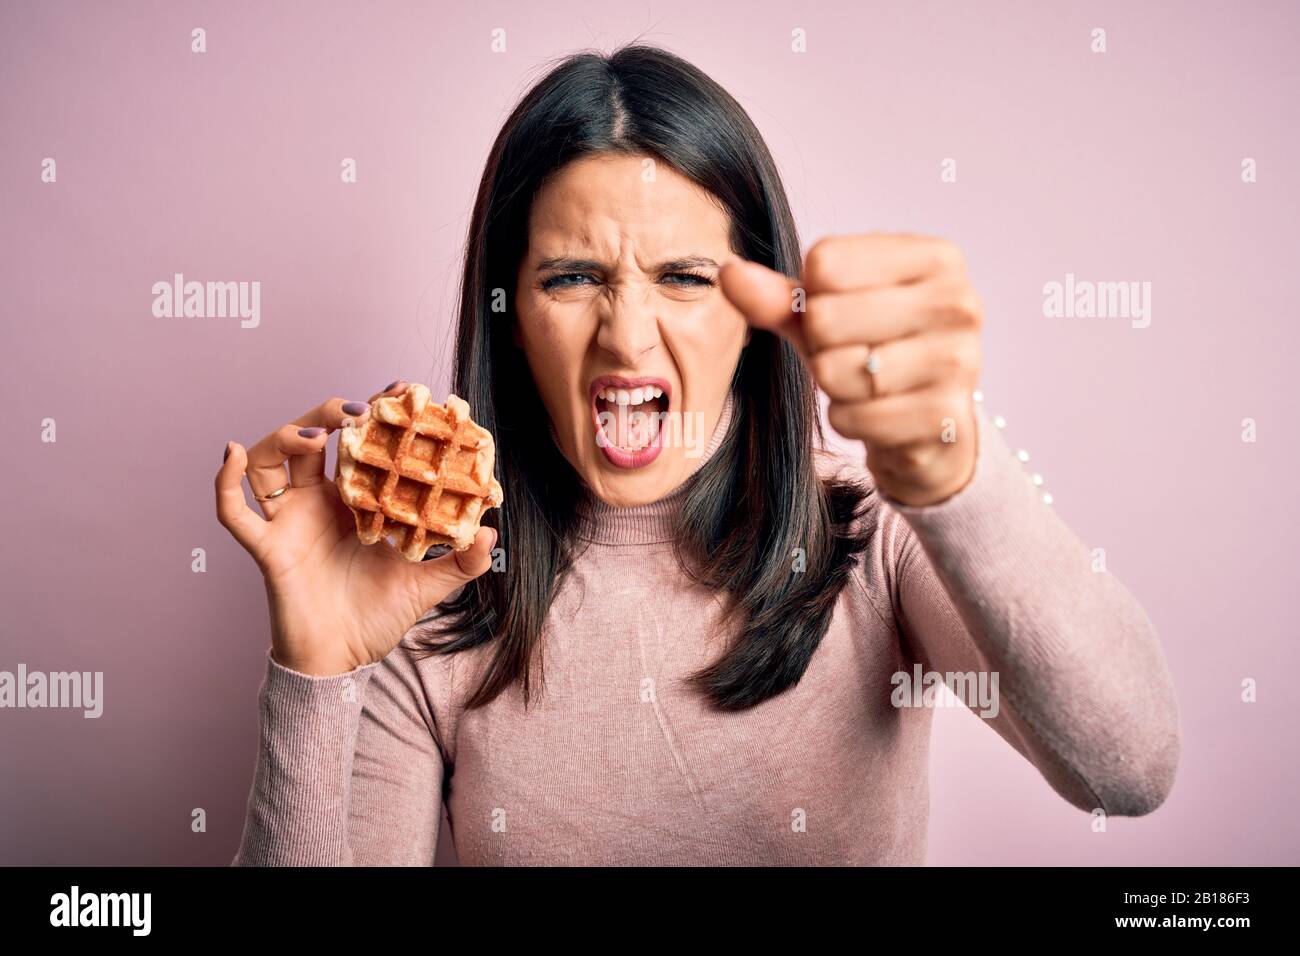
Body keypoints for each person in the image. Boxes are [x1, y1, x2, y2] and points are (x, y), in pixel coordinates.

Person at [217, 45, 1179, 866]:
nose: (628, 340)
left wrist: (955, 474)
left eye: (685, 277)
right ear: (510, 317)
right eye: (572, 277)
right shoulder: (422, 592)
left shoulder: (867, 533)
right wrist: (316, 671)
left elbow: (1128, 771)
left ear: (756, 313)